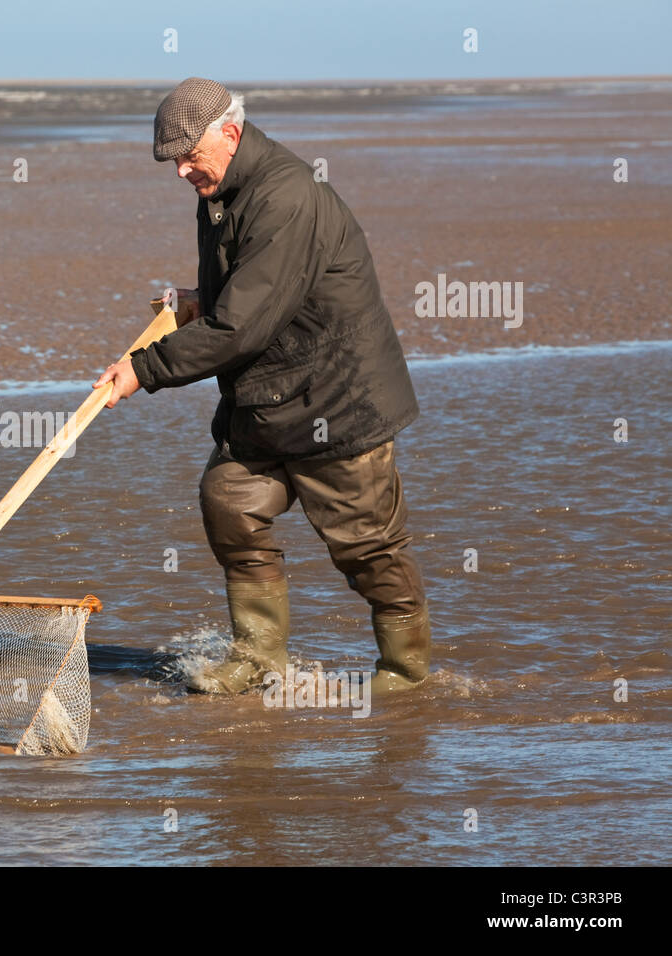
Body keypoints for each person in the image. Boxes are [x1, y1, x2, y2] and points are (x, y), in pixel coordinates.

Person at [94, 77, 431, 694]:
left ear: (230, 131)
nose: (182, 173)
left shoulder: (287, 197)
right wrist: (200, 299)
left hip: (338, 401)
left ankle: (405, 671)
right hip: (264, 403)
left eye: (189, 156)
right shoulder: (219, 188)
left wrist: (143, 369)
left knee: (366, 550)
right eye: (174, 162)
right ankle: (257, 656)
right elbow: (250, 294)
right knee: (229, 503)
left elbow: (242, 326)